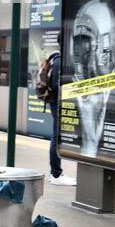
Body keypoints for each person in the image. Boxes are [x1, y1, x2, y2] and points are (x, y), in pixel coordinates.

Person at [38, 49, 75, 185]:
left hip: (55, 103)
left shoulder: (54, 61)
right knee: (56, 137)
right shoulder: (60, 62)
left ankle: (56, 173)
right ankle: (56, 174)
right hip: (59, 104)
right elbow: (56, 85)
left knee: (56, 137)